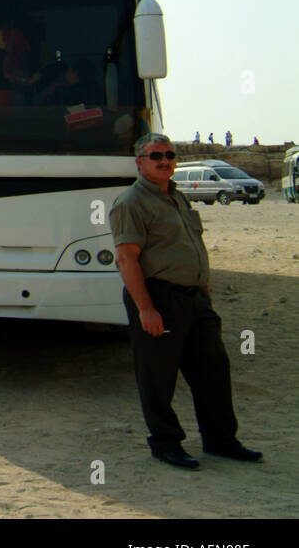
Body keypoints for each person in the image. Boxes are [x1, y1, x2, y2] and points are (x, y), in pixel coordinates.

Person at [108, 133, 262, 468]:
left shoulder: (177, 198)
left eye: (169, 155)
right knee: (159, 377)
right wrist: (146, 309)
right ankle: (165, 443)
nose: (164, 161)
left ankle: (221, 440)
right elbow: (127, 260)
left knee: (213, 370)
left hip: (195, 301)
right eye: (155, 156)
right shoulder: (131, 203)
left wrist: (203, 289)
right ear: (140, 162)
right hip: (158, 298)